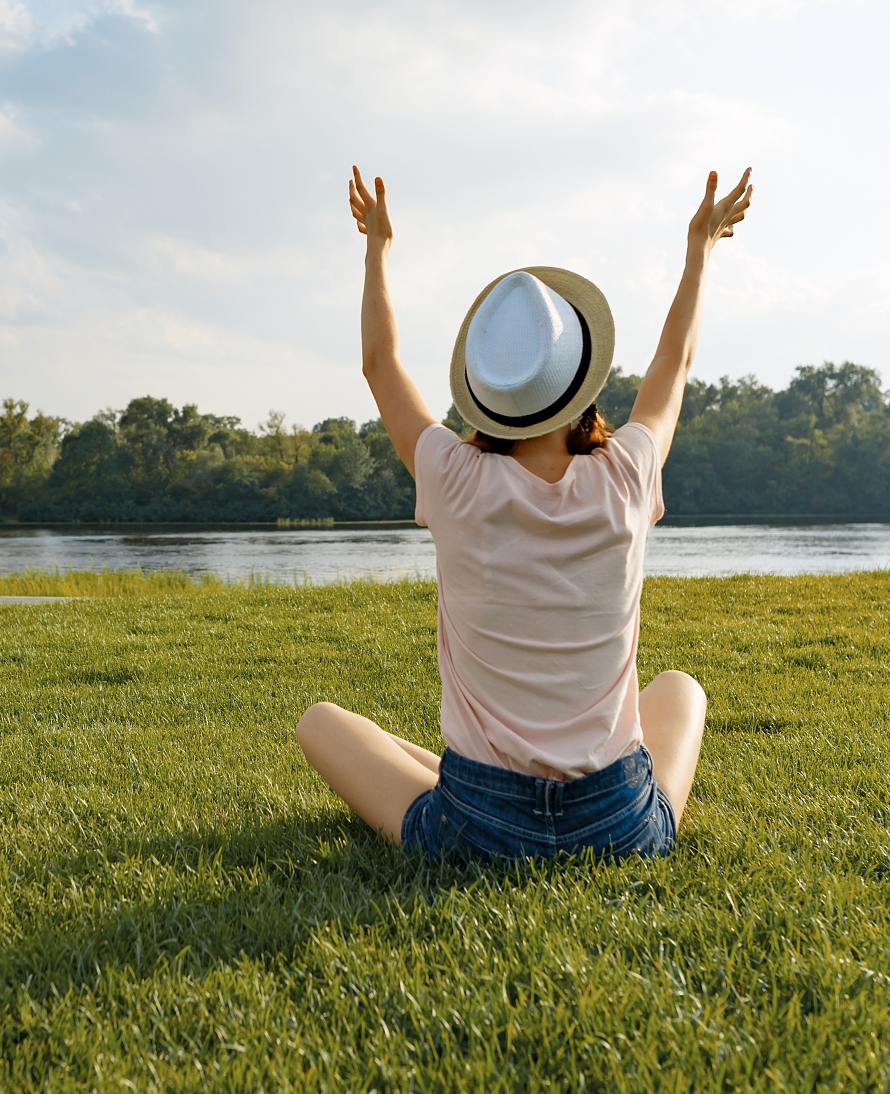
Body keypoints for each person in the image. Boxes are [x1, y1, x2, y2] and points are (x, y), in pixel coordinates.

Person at [295, 163, 753, 862]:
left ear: (484, 393)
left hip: (477, 827)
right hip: (619, 825)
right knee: (681, 688)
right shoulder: (628, 473)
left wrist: (377, 250)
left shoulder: (451, 477)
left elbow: (379, 363)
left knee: (322, 722)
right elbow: (675, 365)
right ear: (583, 380)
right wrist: (701, 249)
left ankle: (465, 788)